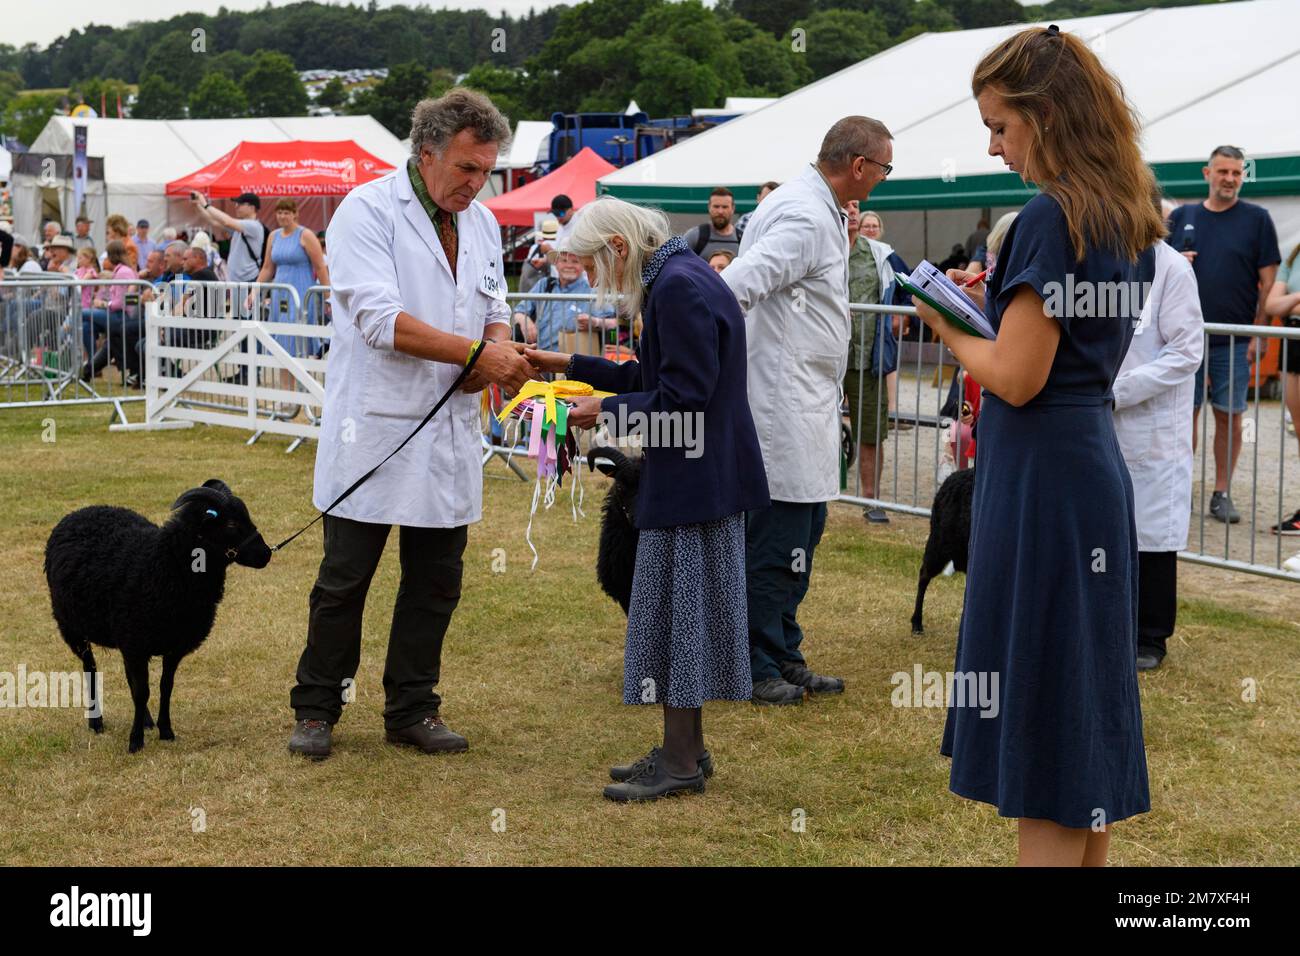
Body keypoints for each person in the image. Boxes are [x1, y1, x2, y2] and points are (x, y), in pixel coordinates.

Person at [913, 23, 1161, 867]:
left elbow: (1017, 375)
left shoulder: (1052, 215)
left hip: (1047, 478)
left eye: (1001, 125)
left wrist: (945, 323)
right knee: (1076, 716)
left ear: (1046, 115)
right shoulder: (1116, 205)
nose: (993, 146)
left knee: (1049, 724)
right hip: (1082, 465)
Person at [287, 87, 537, 760]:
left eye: (486, 170)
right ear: (425, 154)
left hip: (450, 424)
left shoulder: (481, 223)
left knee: (436, 581)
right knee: (345, 579)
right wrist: (481, 354)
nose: (476, 183)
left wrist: (498, 343)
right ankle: (317, 708)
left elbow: (493, 300)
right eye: (465, 168)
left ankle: (412, 708)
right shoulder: (366, 212)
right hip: (373, 424)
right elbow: (377, 319)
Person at [523, 196, 769, 802]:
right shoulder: (677, 277)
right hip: (699, 474)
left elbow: (682, 397)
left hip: (696, 480)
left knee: (679, 619)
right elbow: (651, 377)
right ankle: (686, 749)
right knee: (679, 617)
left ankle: (682, 763)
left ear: (619, 247)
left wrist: (601, 411)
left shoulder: (677, 289)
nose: (599, 282)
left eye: (596, 266)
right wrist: (568, 364)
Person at [723, 115, 893, 705]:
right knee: (779, 538)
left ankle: (782, 650)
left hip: (804, 396)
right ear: (859, 166)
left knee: (804, 528)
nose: (881, 181)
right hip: (782, 401)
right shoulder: (801, 213)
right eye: (884, 169)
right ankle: (754, 661)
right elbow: (741, 282)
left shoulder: (814, 210)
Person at [1168, 146, 1280, 524]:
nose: (1230, 179)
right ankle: (1180, 489)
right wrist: (1175, 264)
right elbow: (1155, 270)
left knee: (1230, 417)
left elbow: (1268, 283)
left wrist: (1257, 336)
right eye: (1223, 172)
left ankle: (1221, 492)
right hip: (1184, 338)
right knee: (1185, 416)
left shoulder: (1257, 219)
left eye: (1236, 173)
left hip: (1233, 339)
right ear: (1207, 173)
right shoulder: (1183, 217)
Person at [1115, 198, 1204, 673]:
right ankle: (1112, 625)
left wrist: (1123, 389)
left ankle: (1151, 635)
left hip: (1151, 420)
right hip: (1105, 413)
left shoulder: (1171, 269)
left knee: (1151, 533)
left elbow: (1187, 350)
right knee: (1111, 528)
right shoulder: (1107, 263)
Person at [251, 198, 329, 369]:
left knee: (298, 339)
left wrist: (327, 296)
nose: (283, 216)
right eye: (279, 212)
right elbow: (266, 268)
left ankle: (302, 387)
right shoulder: (273, 236)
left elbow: (320, 267)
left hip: (300, 291)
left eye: (287, 212)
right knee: (282, 339)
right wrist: (254, 292)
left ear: (295, 214)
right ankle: (287, 390)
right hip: (280, 292)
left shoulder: (306, 235)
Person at [511, 248, 615, 351]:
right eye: (564, 260)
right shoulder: (545, 284)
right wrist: (525, 321)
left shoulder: (592, 290)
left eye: (575, 261)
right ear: (556, 263)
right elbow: (519, 311)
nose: (569, 266)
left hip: (575, 361)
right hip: (540, 356)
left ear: (583, 265)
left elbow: (614, 323)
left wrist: (595, 322)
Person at [1266, 244, 1300, 540]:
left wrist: (1288, 301)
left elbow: (1280, 302)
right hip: (1293, 342)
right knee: (1299, 429)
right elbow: (1272, 306)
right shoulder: (1294, 255)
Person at [80, 239, 140, 383]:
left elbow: (121, 303)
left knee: (81, 313)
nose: (105, 260)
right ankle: (89, 369)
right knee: (88, 326)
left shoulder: (123, 272)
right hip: (118, 314)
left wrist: (103, 304)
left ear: (112, 256)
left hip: (120, 316)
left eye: (107, 256)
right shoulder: (123, 270)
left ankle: (88, 368)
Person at [191, 191, 264, 286]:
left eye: (240, 204)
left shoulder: (254, 225)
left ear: (252, 208)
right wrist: (198, 206)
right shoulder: (241, 226)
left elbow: (226, 221)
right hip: (238, 281)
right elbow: (212, 221)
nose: (236, 206)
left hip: (248, 281)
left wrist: (205, 204)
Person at [684, 187, 742, 260]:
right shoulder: (694, 237)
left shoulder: (742, 240)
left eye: (725, 207)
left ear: (733, 208)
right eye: (716, 206)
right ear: (709, 207)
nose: (720, 211)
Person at [519, 217, 558, 294]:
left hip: (537, 284)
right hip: (557, 281)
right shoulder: (560, 244)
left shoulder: (535, 247)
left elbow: (530, 263)